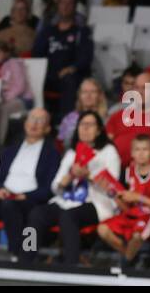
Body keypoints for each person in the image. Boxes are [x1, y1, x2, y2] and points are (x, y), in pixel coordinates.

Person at [23, 111, 120, 266]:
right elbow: (55, 187)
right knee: (36, 213)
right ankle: (27, 258)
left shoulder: (109, 152)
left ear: (100, 130)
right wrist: (67, 178)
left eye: (90, 125)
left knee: (68, 217)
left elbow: (113, 190)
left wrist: (89, 176)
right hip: (67, 201)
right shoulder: (71, 153)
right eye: (82, 124)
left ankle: (70, 265)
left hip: (95, 203)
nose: (85, 128)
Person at [0, 108, 61, 260]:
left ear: (48, 128)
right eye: (32, 119)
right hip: (4, 197)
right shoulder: (10, 150)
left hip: (29, 201)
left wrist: (26, 196)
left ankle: (17, 255)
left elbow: (48, 188)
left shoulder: (52, 154)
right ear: (25, 123)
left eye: (40, 120)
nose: (34, 124)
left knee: (10, 206)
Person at [94, 134, 150, 269]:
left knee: (137, 235)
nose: (141, 153)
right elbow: (124, 206)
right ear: (132, 153)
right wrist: (111, 193)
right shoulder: (127, 172)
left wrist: (139, 198)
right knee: (102, 229)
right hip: (131, 214)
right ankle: (130, 257)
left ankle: (124, 267)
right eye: (137, 150)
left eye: (145, 149)